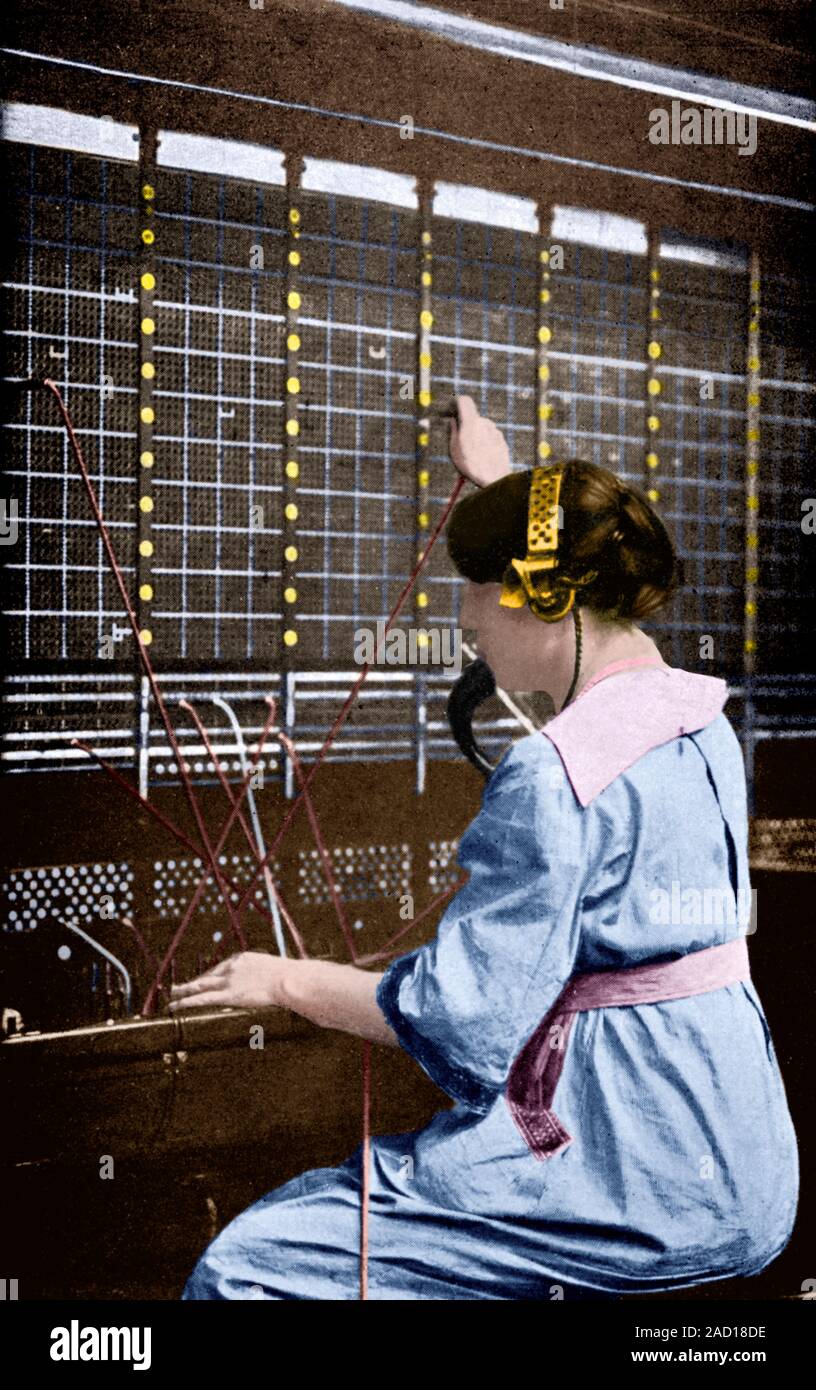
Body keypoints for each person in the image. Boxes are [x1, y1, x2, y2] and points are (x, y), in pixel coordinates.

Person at [174, 397, 799, 1300]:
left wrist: (282, 980)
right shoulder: (698, 719)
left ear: (537, 592)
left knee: (249, 1268)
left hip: (628, 1187)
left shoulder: (553, 775)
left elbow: (457, 1021)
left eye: (473, 588)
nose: (464, 621)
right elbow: (569, 599)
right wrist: (505, 488)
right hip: (742, 1167)